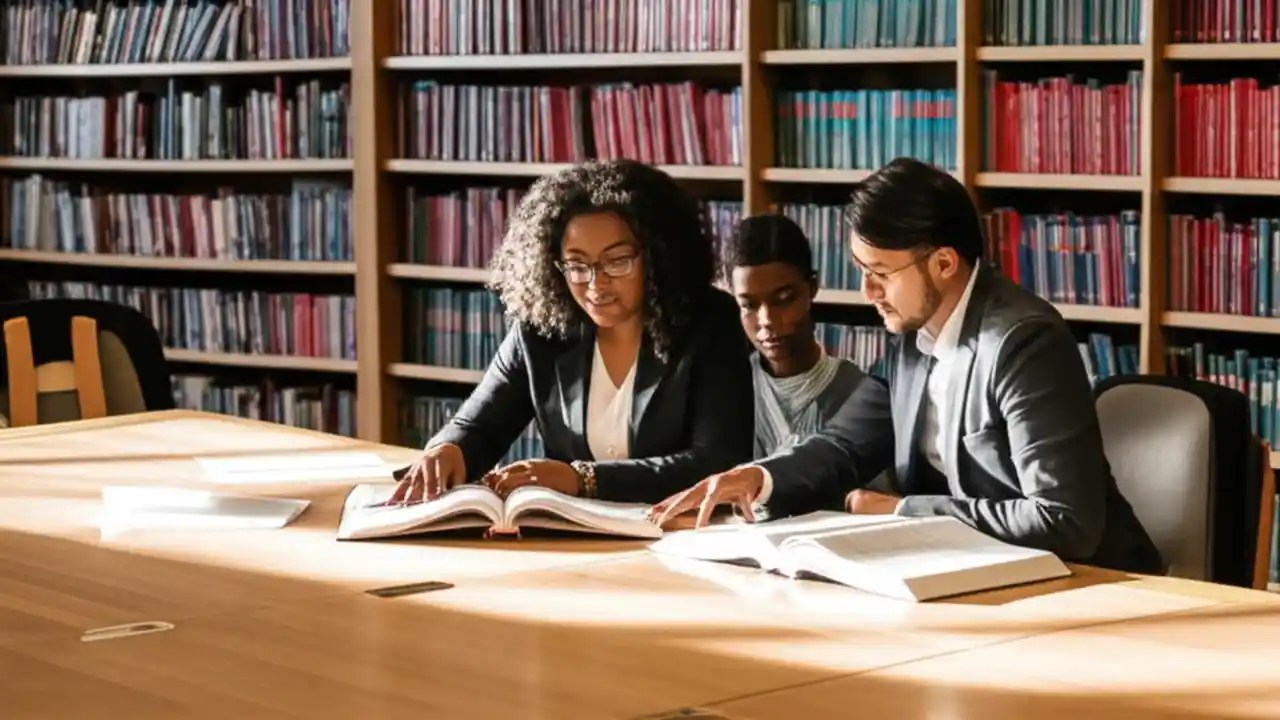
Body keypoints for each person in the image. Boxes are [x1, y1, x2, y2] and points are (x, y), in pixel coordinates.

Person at [653, 157, 1163, 575]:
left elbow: (1063, 520)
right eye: (861, 271)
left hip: (1096, 583)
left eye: (880, 273)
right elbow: (844, 443)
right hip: (980, 574)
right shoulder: (912, 334)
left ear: (943, 263)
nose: (867, 293)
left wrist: (901, 511)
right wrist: (757, 477)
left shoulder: (1023, 342)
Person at [388, 159, 755, 505]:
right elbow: (479, 426)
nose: (596, 284)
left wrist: (583, 479)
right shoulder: (541, 330)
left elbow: (716, 461)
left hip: (680, 535)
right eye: (577, 265)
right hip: (573, 537)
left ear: (658, 255)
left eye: (617, 261)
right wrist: (447, 449)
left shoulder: (711, 324)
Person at [718, 213, 892, 522]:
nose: (767, 321)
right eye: (749, 306)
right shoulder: (725, 391)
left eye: (784, 299)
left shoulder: (862, 396)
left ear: (812, 287)